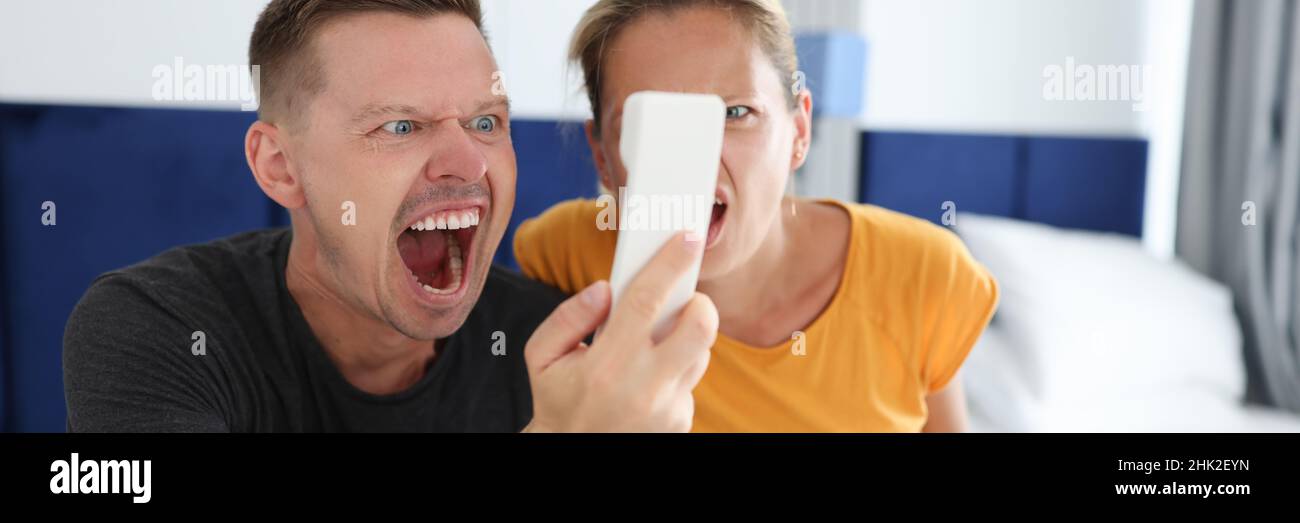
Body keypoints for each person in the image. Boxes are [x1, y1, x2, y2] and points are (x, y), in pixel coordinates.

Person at [62, 0, 716, 433]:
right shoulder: (154, 329)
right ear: (280, 167)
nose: (467, 162)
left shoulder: (556, 350)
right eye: (400, 125)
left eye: (486, 121)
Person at [513, 0, 999, 432]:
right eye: (652, 119)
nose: (696, 156)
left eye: (735, 113)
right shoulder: (562, 253)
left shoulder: (923, 273)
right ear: (603, 154)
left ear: (799, 131)